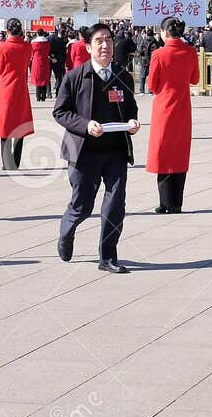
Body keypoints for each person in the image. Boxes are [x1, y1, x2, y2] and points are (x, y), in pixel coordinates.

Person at [53, 23, 140, 273]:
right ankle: (67, 232)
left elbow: (130, 106)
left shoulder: (122, 76)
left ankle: (108, 257)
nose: (105, 45)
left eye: (109, 40)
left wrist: (132, 122)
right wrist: (85, 124)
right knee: (82, 205)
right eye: (99, 41)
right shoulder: (75, 77)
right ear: (88, 47)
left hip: (115, 150)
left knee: (115, 204)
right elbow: (60, 112)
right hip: (83, 150)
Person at [147, 17, 199, 214]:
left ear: (165, 32)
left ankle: (165, 202)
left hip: (163, 108)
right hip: (183, 108)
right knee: (179, 152)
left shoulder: (159, 54)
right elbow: (194, 79)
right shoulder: (191, 52)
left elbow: (152, 85)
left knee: (163, 153)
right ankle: (177, 203)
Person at [0, 18, 35, 169]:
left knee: (5, 125)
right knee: (20, 124)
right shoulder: (27, 46)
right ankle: (16, 161)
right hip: (21, 88)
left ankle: (7, 163)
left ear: (7, 31)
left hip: (6, 88)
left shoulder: (2, 47)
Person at [31, 29, 53, 101]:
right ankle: (43, 96)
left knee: (38, 78)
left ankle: (38, 96)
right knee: (44, 78)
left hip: (36, 61)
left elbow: (31, 52)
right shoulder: (47, 43)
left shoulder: (33, 43)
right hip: (45, 61)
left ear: (37, 34)